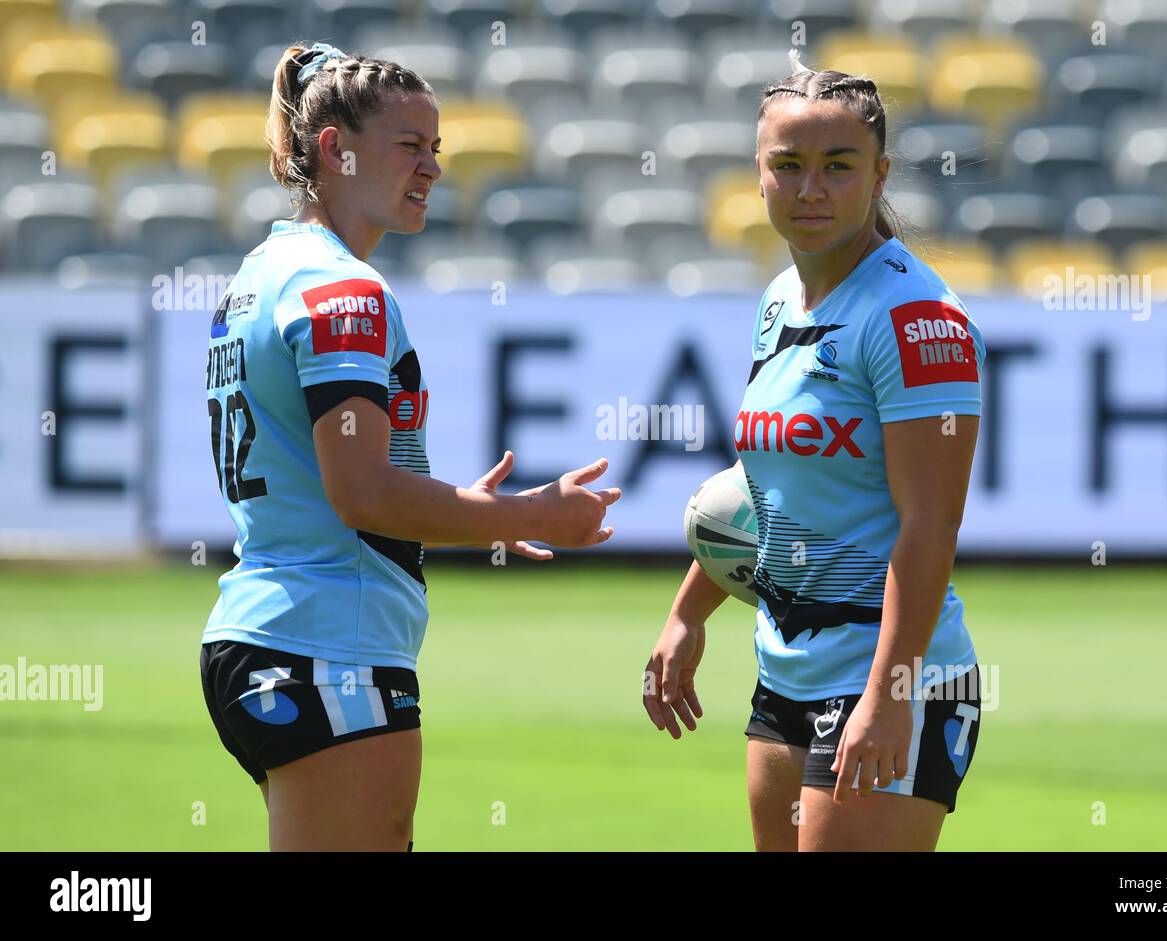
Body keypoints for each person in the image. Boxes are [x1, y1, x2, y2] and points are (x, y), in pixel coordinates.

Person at [200, 41, 619, 851]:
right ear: (335, 148)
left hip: (277, 632)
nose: (430, 167)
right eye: (408, 146)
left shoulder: (263, 270)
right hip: (327, 645)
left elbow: (337, 480)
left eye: (436, 148)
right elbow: (361, 494)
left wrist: (478, 505)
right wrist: (525, 513)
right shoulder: (342, 287)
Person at [643, 51, 984, 852]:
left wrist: (892, 693)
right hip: (786, 674)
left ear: (880, 173)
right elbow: (770, 491)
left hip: (896, 678)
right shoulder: (777, 301)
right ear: (757, 175)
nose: (811, 189)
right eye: (788, 166)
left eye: (838, 166)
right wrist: (688, 613)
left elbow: (930, 524)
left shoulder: (916, 317)